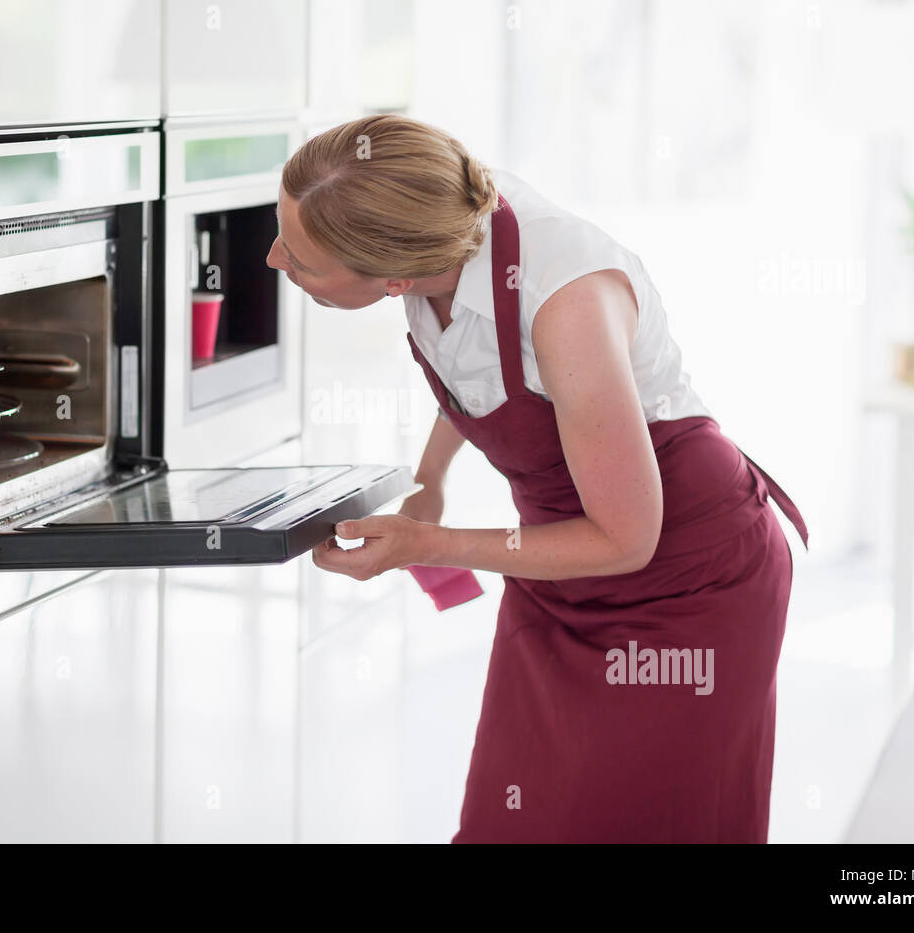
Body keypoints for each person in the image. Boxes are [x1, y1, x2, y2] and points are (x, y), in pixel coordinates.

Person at [268, 113, 808, 843]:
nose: (274, 259)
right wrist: (430, 478)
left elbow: (625, 538)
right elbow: (483, 369)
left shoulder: (567, 299)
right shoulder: (435, 229)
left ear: (391, 274)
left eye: (300, 258)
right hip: (563, 568)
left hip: (685, 581)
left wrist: (423, 542)